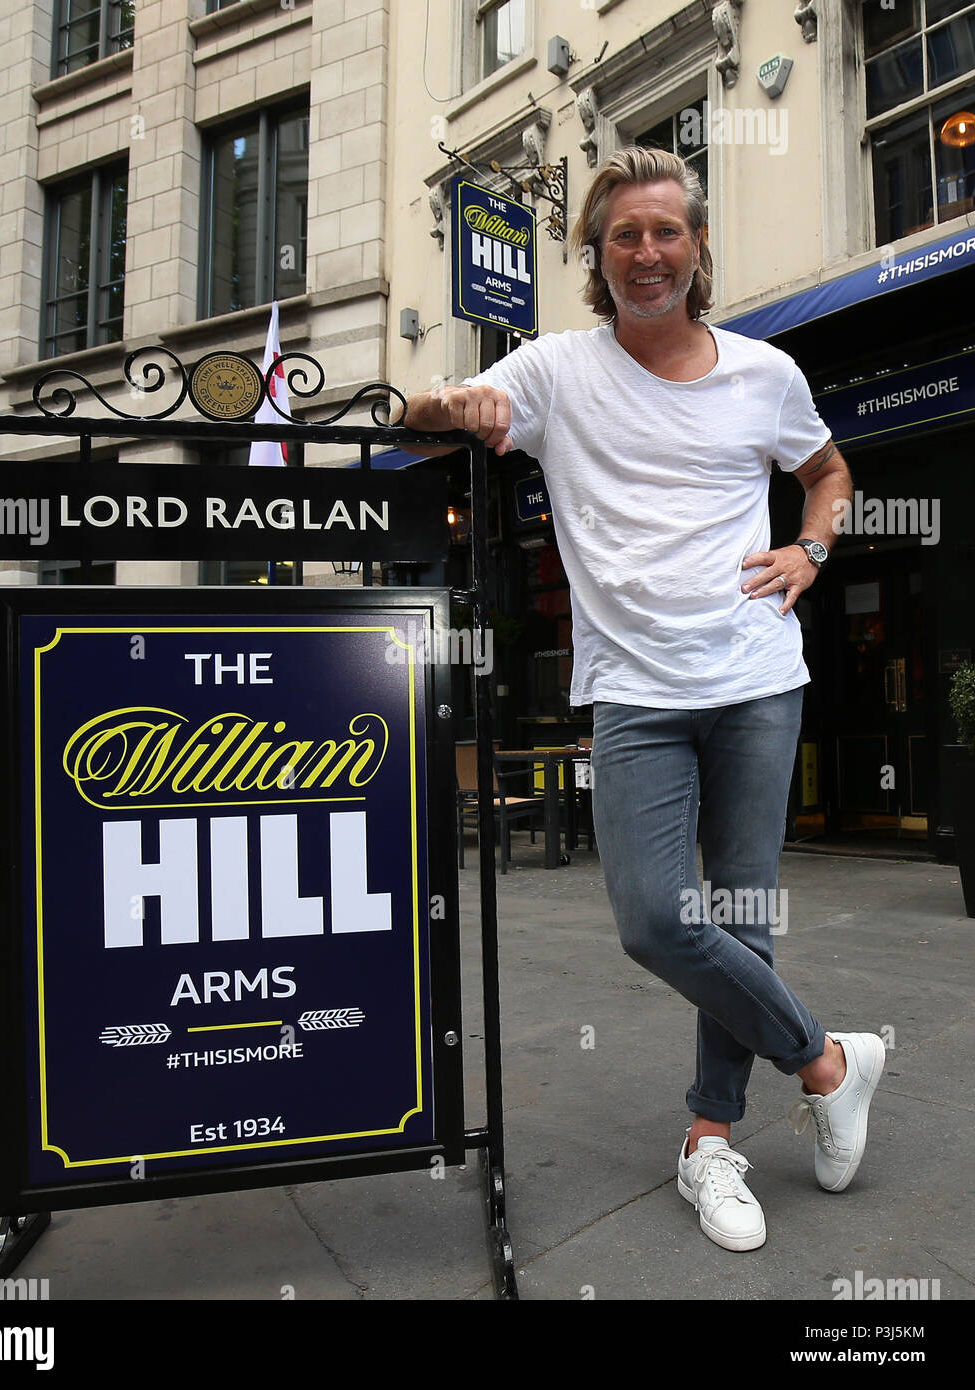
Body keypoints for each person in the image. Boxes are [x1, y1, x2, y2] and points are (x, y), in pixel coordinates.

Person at [396, 146, 885, 1252]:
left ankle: (709, 1139)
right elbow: (432, 416)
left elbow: (829, 472)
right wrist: (443, 399)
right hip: (632, 693)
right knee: (657, 920)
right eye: (624, 235)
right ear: (596, 254)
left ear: (698, 247)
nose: (648, 252)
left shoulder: (765, 373)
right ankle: (829, 1060)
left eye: (667, 231)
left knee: (744, 915)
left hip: (757, 675)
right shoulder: (555, 369)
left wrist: (810, 547)